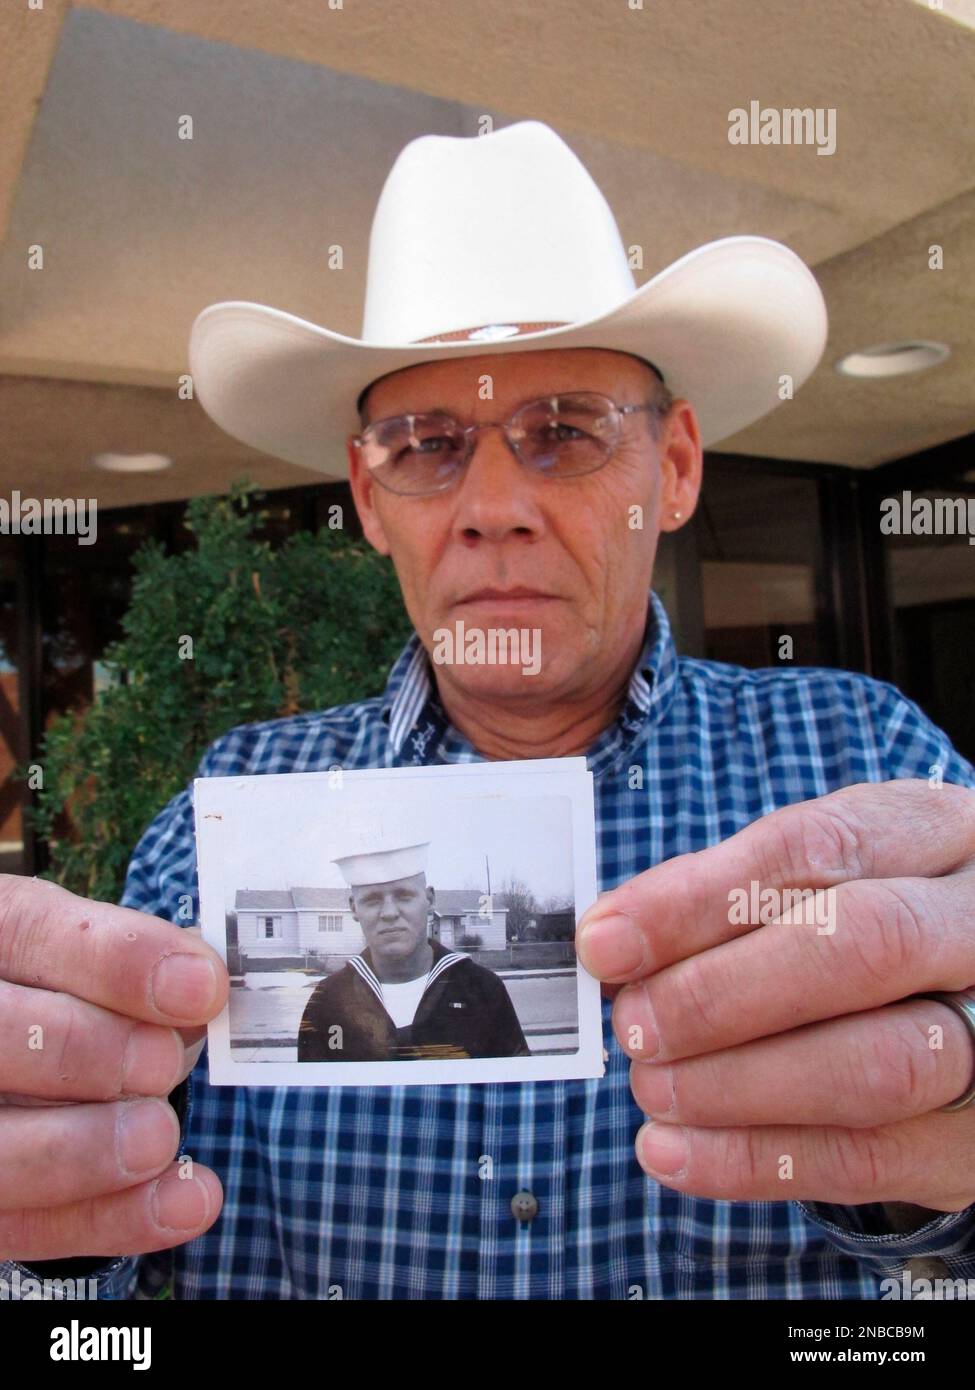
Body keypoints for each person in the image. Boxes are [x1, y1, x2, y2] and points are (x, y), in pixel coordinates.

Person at [2, 121, 973, 1300]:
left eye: (564, 431)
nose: (494, 505)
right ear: (368, 496)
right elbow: (66, 1275)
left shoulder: (862, 761)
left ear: (673, 471)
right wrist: (43, 1213)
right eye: (429, 445)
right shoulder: (223, 823)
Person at [296, 839, 530, 1061]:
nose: (389, 913)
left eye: (404, 896)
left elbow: (514, 1094)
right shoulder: (328, 1001)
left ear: (429, 899)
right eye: (372, 900)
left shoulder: (482, 990)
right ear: (353, 908)